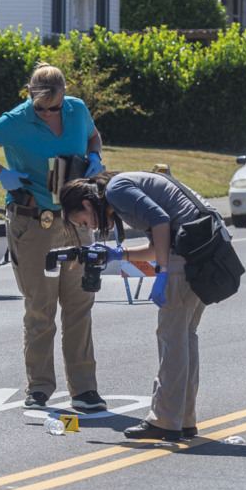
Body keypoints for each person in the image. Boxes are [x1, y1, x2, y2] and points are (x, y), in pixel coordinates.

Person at [0, 63, 107, 413]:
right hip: (34, 221)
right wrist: (3, 174)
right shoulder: (15, 120)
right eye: (41, 108)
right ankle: (39, 387)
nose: (47, 114)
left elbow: (93, 136)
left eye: (54, 108)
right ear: (31, 97)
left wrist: (95, 156)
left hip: (76, 221)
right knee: (40, 310)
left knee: (79, 307)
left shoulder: (77, 109)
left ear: (63, 97)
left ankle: (84, 390)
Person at [59, 171, 214, 442]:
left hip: (188, 252)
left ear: (86, 204)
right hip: (204, 246)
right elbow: (158, 242)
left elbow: (161, 220)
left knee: (172, 337)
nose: (92, 228)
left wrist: (163, 272)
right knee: (184, 337)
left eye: (84, 221)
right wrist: (119, 254)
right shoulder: (124, 188)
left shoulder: (116, 190)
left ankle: (165, 421)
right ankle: (183, 419)